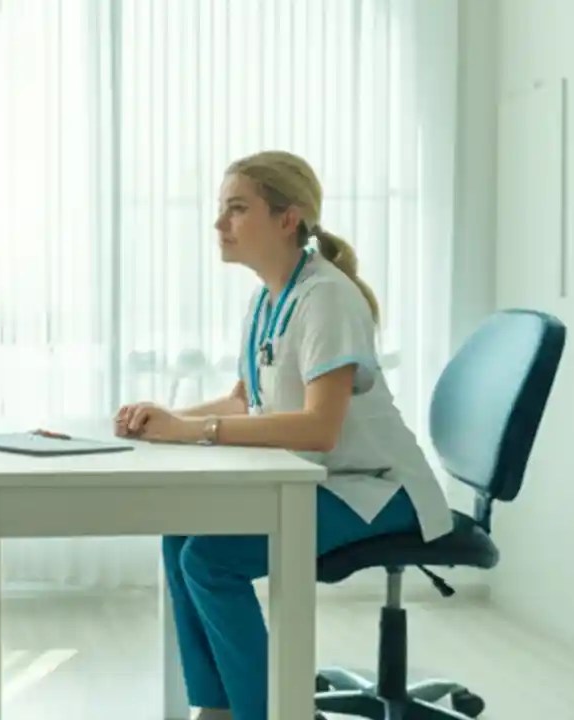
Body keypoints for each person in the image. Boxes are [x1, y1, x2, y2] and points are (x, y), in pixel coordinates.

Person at [114, 151, 452, 720]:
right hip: (320, 481)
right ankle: (218, 709)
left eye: (237, 209)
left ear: (287, 219)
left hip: (379, 492)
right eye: (221, 210)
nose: (220, 225)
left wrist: (193, 431)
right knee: (182, 535)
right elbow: (246, 400)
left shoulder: (328, 299)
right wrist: (163, 424)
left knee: (212, 561)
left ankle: (273, 712)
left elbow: (320, 427)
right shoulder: (269, 297)